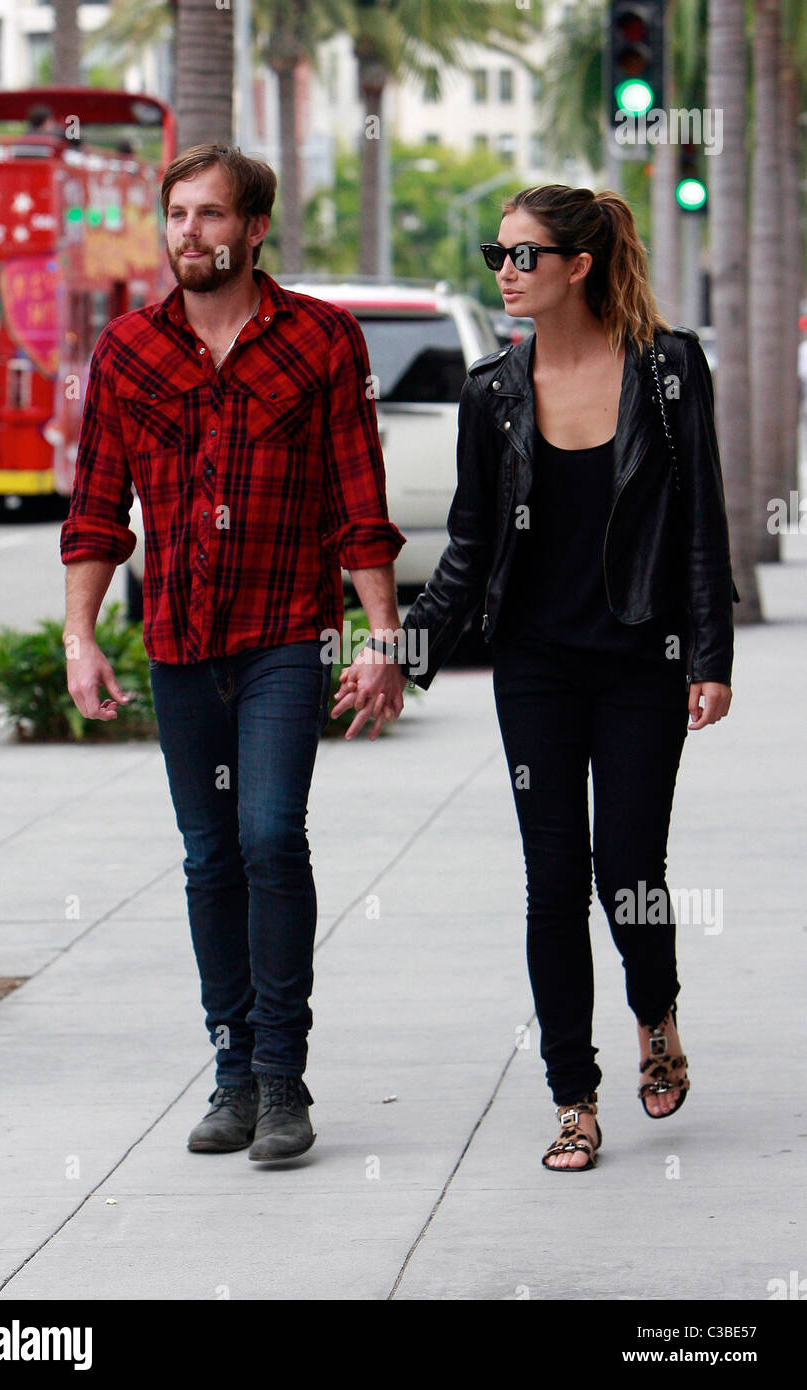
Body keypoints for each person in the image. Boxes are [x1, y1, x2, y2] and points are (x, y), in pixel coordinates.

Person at [334, 184, 738, 1171]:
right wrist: (401, 655)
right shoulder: (491, 392)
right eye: (497, 255)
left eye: (522, 255)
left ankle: (656, 1015)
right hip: (534, 668)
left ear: (577, 266)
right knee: (551, 878)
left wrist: (710, 656)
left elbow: (700, 527)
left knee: (628, 871)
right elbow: (468, 552)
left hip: (642, 659)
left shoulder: (669, 370)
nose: (505, 273)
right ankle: (573, 1095)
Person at [61, 143, 407, 1162]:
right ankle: (229, 1073)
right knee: (209, 858)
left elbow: (359, 503)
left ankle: (280, 1083)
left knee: (267, 839)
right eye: (177, 215)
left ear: (254, 228)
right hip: (178, 642)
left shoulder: (321, 341)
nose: (189, 235)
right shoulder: (128, 350)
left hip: (282, 639)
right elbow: (94, 512)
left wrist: (384, 633)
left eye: (211, 216)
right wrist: (80, 637)